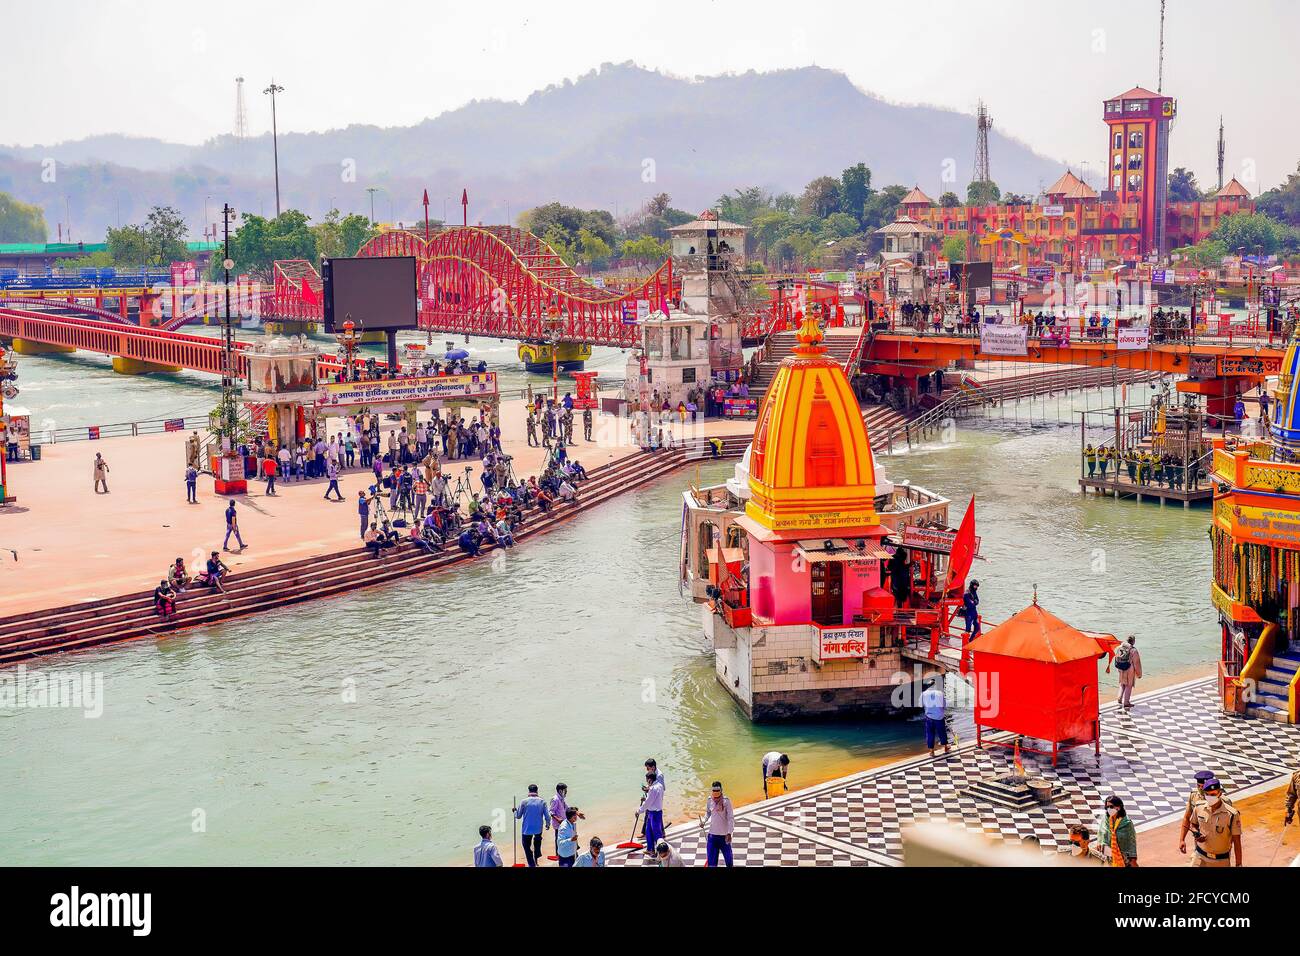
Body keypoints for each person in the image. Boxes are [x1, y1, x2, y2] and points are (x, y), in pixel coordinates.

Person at [1188, 778, 1242, 867]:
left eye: (1213, 794)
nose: (1210, 797)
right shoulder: (1199, 807)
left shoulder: (1231, 814)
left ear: (1220, 793)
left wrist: (1239, 864)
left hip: (1220, 860)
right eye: (1207, 794)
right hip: (1200, 856)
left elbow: (1237, 841)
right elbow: (1193, 824)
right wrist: (1196, 833)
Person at [1178, 769, 1217, 856]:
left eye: (1202, 787)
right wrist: (1182, 840)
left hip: (1216, 841)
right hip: (1199, 840)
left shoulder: (1219, 800)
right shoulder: (1194, 796)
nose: (1200, 789)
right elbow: (1187, 818)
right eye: (1198, 786)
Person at [1097, 795, 1138, 867]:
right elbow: (1101, 832)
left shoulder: (1127, 823)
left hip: (1123, 857)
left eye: (1111, 807)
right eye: (1107, 807)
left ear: (1118, 807)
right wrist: (1099, 842)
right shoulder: (1105, 819)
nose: (1109, 809)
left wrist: (1133, 858)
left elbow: (1131, 841)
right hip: (1107, 855)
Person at [514, 785, 550, 867]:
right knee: (537, 845)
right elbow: (547, 816)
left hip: (527, 829)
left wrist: (514, 811)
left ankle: (531, 864)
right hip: (538, 828)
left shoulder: (524, 802)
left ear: (529, 791)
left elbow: (518, 816)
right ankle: (536, 860)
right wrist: (548, 824)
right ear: (537, 791)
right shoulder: (542, 801)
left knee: (526, 846)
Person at [704, 780, 735, 867]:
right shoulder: (709, 800)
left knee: (729, 861)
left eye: (717, 790)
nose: (716, 793)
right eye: (714, 791)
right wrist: (704, 820)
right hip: (712, 836)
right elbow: (708, 812)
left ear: (721, 790)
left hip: (724, 836)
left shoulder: (726, 801)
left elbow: (730, 818)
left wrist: (729, 832)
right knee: (712, 863)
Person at [635, 772, 666, 857]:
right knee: (648, 831)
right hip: (654, 812)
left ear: (649, 780)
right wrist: (646, 796)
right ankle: (650, 849)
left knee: (657, 834)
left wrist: (639, 811)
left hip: (654, 813)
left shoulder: (653, 789)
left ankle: (661, 853)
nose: (646, 782)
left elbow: (648, 803)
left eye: (647, 780)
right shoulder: (659, 785)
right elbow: (653, 799)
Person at [1107, 635, 1142, 708]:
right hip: (1129, 669)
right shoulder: (1133, 650)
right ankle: (1126, 702)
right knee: (1129, 685)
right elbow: (1136, 663)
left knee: (1122, 683)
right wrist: (1139, 674)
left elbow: (1116, 658)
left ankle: (1119, 698)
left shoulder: (1120, 647)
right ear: (1133, 641)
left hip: (1121, 668)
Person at [921, 678, 950, 756]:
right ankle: (946, 747)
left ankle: (931, 751)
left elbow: (921, 704)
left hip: (929, 717)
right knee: (942, 732)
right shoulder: (940, 693)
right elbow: (944, 705)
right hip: (939, 717)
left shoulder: (923, 694)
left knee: (930, 733)